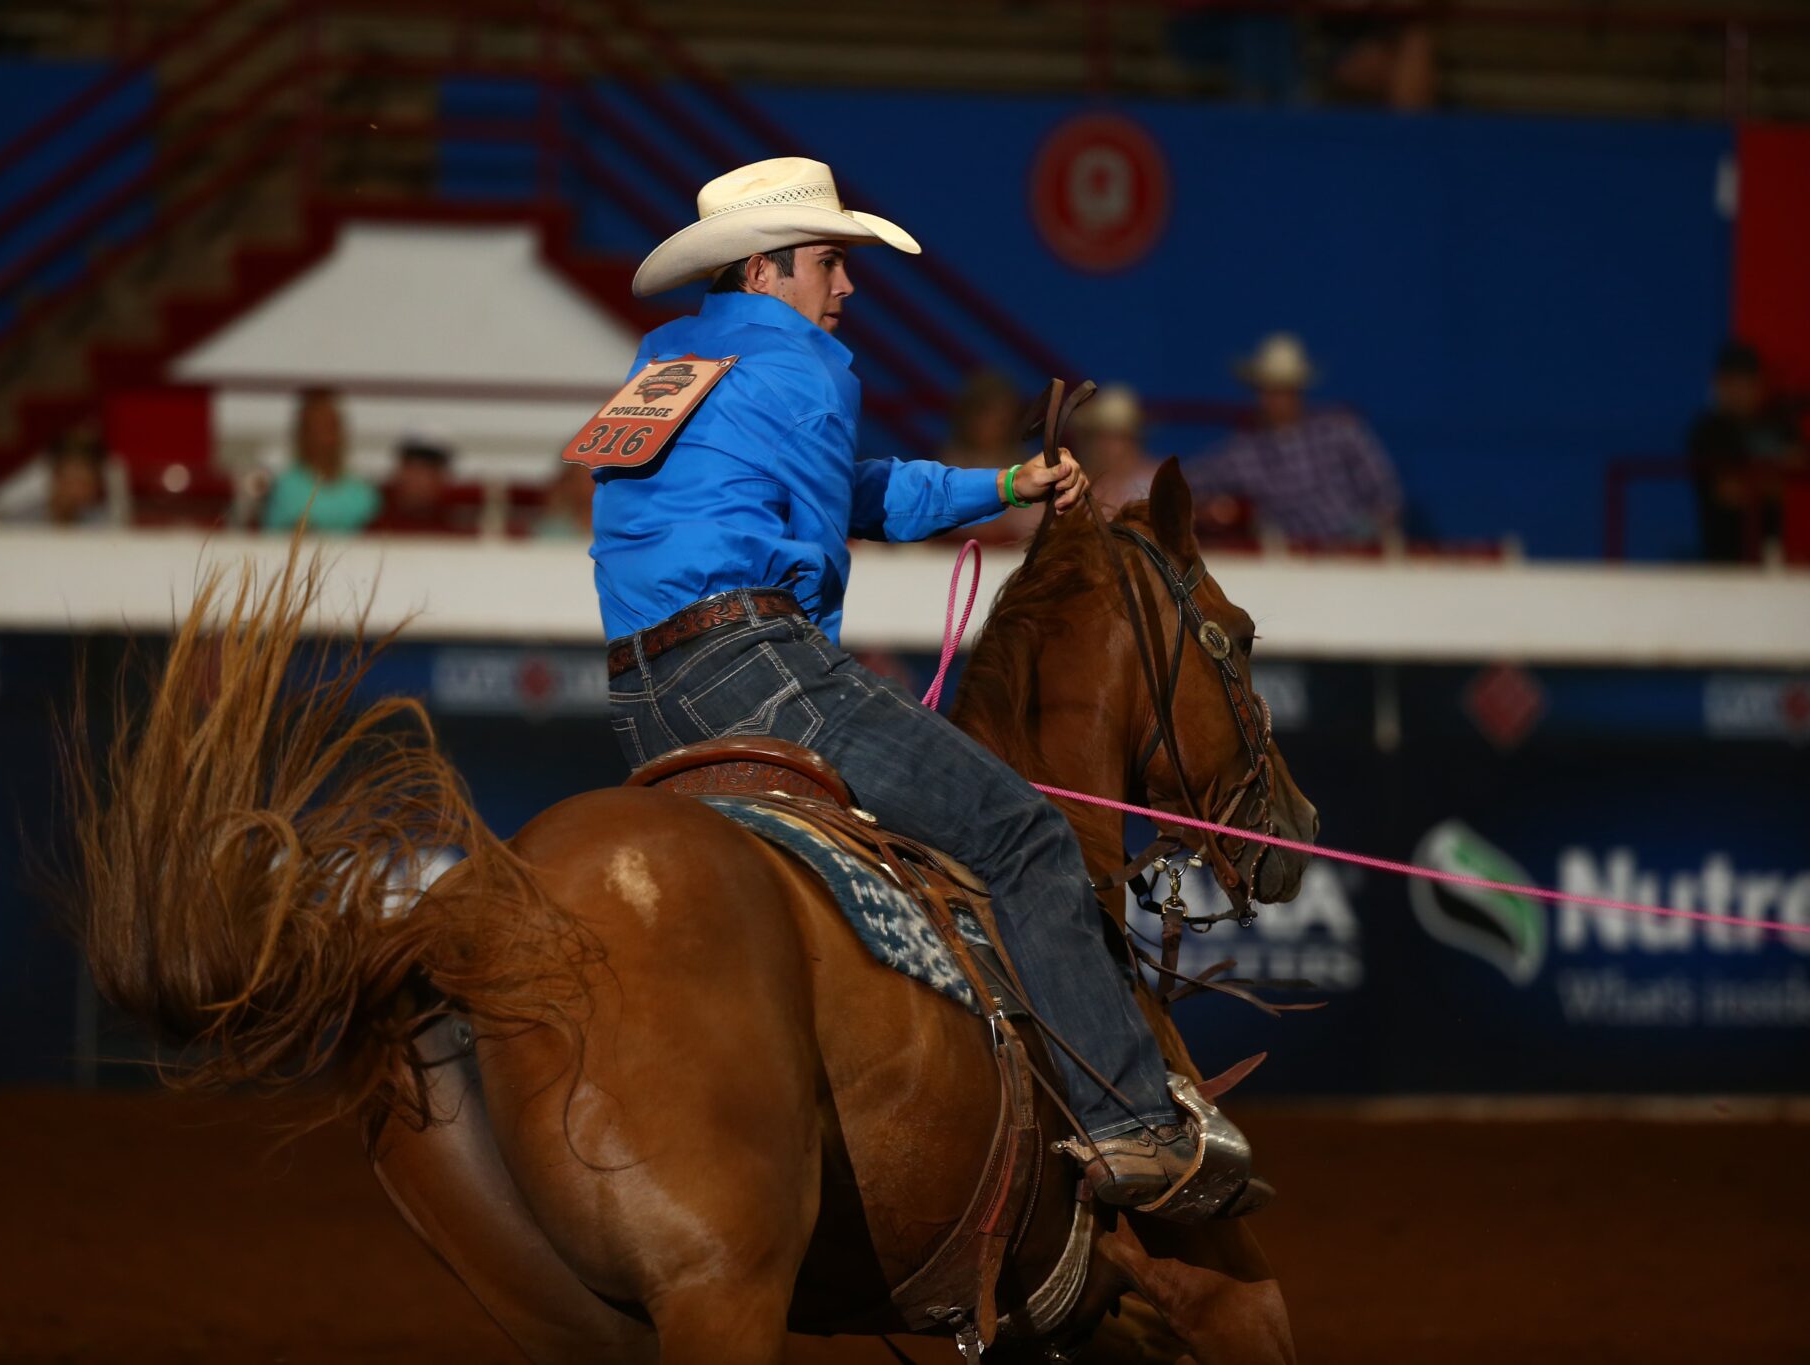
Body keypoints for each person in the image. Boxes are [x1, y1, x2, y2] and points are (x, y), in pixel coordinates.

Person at [592, 156, 1248, 1215]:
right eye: (827, 264)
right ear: (764, 273)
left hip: (641, 697)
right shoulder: (802, 365)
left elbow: (839, 488)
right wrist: (816, 660)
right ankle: (1132, 1122)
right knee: (1024, 836)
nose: (846, 287)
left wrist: (1004, 485)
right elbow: (820, 540)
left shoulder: (672, 360)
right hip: (761, 670)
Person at [1185, 331, 1402, 543]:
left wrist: (1369, 537)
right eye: (1267, 390)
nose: (1275, 399)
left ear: (1298, 391)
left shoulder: (1340, 432)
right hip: (1293, 558)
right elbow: (1189, 479)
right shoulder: (1243, 454)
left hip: (1359, 548)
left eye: (1283, 390)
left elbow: (1386, 494)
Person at [1687, 341, 1805, 563]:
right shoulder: (1708, 430)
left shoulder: (1776, 423)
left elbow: (1799, 463)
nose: (1741, 392)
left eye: (1748, 383)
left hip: (1775, 550)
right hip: (1723, 554)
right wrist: (1772, 479)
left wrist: (1768, 480)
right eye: (1733, 383)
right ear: (1718, 385)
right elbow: (1728, 491)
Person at [260, 387, 380, 535]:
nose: (325, 437)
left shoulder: (363, 492)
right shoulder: (283, 489)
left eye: (330, 426)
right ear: (303, 434)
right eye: (317, 428)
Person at [0, 424, 127, 528]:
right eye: (73, 481)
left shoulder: (100, 523)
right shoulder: (20, 523)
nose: (78, 491)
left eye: (86, 484)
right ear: (55, 479)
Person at [1077, 384, 1162, 517]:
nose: (1106, 446)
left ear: (1133, 441)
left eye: (1116, 437)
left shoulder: (1155, 482)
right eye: (1100, 436)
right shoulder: (1077, 487)